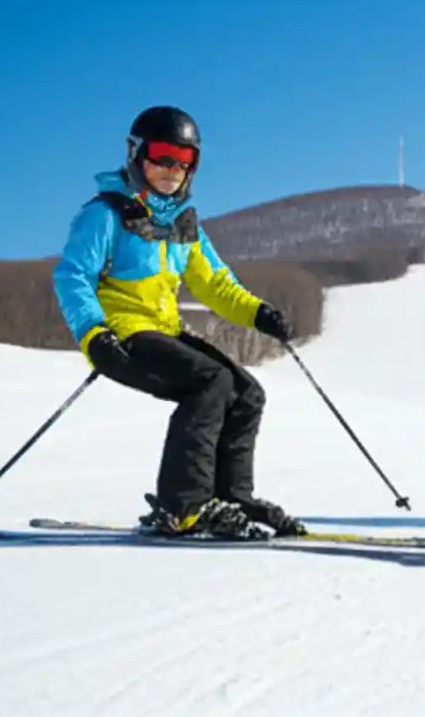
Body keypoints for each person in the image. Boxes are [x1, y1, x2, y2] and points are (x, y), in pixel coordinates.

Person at [52, 105, 306, 539]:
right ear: (137, 153)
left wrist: (258, 314)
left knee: (246, 393)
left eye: (185, 159)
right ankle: (183, 506)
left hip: (163, 330)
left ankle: (232, 499)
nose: (173, 168)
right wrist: (94, 335)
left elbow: (214, 285)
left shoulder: (182, 226)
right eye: (163, 154)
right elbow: (72, 275)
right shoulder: (105, 214)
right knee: (210, 381)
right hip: (121, 334)